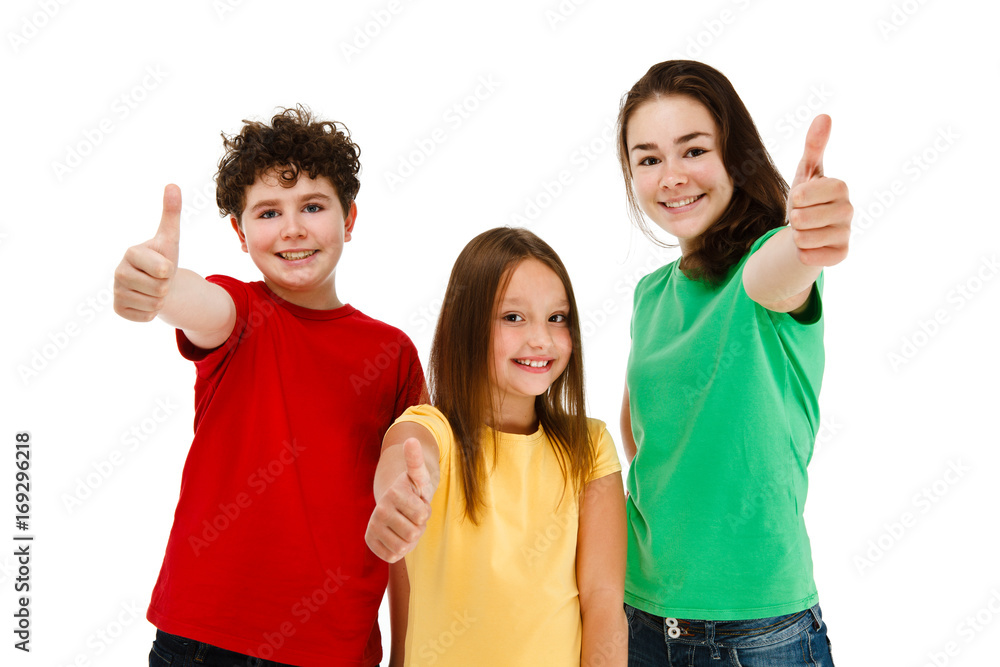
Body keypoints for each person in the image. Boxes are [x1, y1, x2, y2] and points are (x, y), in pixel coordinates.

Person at [113, 106, 425, 667]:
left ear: (349, 218)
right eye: (267, 212)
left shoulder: (393, 353)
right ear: (239, 232)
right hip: (204, 639)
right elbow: (200, 304)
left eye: (312, 206)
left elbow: (404, 506)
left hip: (334, 647)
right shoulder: (240, 312)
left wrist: (407, 649)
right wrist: (159, 288)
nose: (293, 228)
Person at [616, 60, 851, 665]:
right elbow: (639, 433)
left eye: (692, 150)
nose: (671, 177)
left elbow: (787, 268)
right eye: (647, 159)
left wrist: (808, 238)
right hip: (641, 616)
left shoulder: (763, 265)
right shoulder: (650, 295)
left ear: (734, 155)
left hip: (759, 633)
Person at [364, 228, 627, 666]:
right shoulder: (433, 431)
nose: (541, 339)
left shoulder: (590, 446)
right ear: (465, 325)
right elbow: (408, 454)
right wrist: (400, 494)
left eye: (557, 318)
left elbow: (602, 601)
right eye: (513, 317)